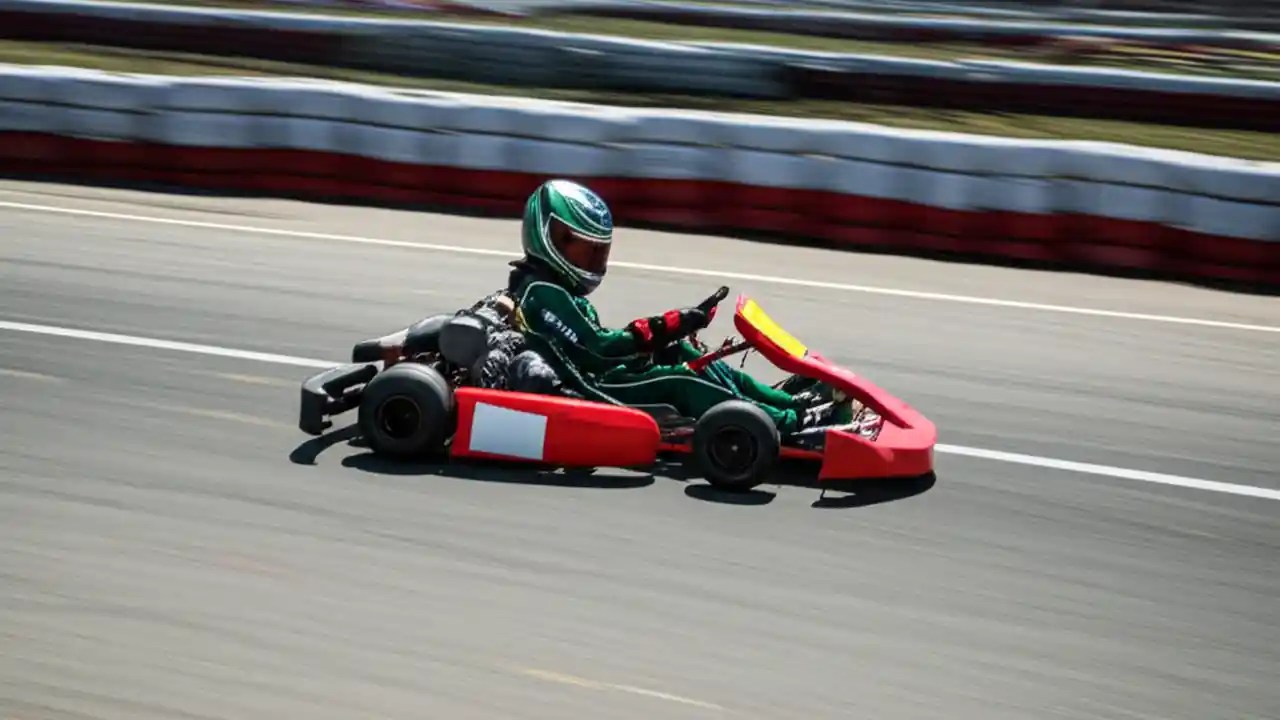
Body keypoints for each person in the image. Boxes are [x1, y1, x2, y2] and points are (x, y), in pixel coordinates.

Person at [506, 179, 853, 436]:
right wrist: (670, 324)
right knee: (683, 379)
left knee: (685, 354)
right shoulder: (540, 292)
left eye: (598, 251)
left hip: (600, 371)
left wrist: (675, 331)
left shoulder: (551, 288)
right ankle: (792, 425)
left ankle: (786, 404)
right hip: (592, 388)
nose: (592, 259)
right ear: (545, 235)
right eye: (580, 247)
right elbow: (599, 347)